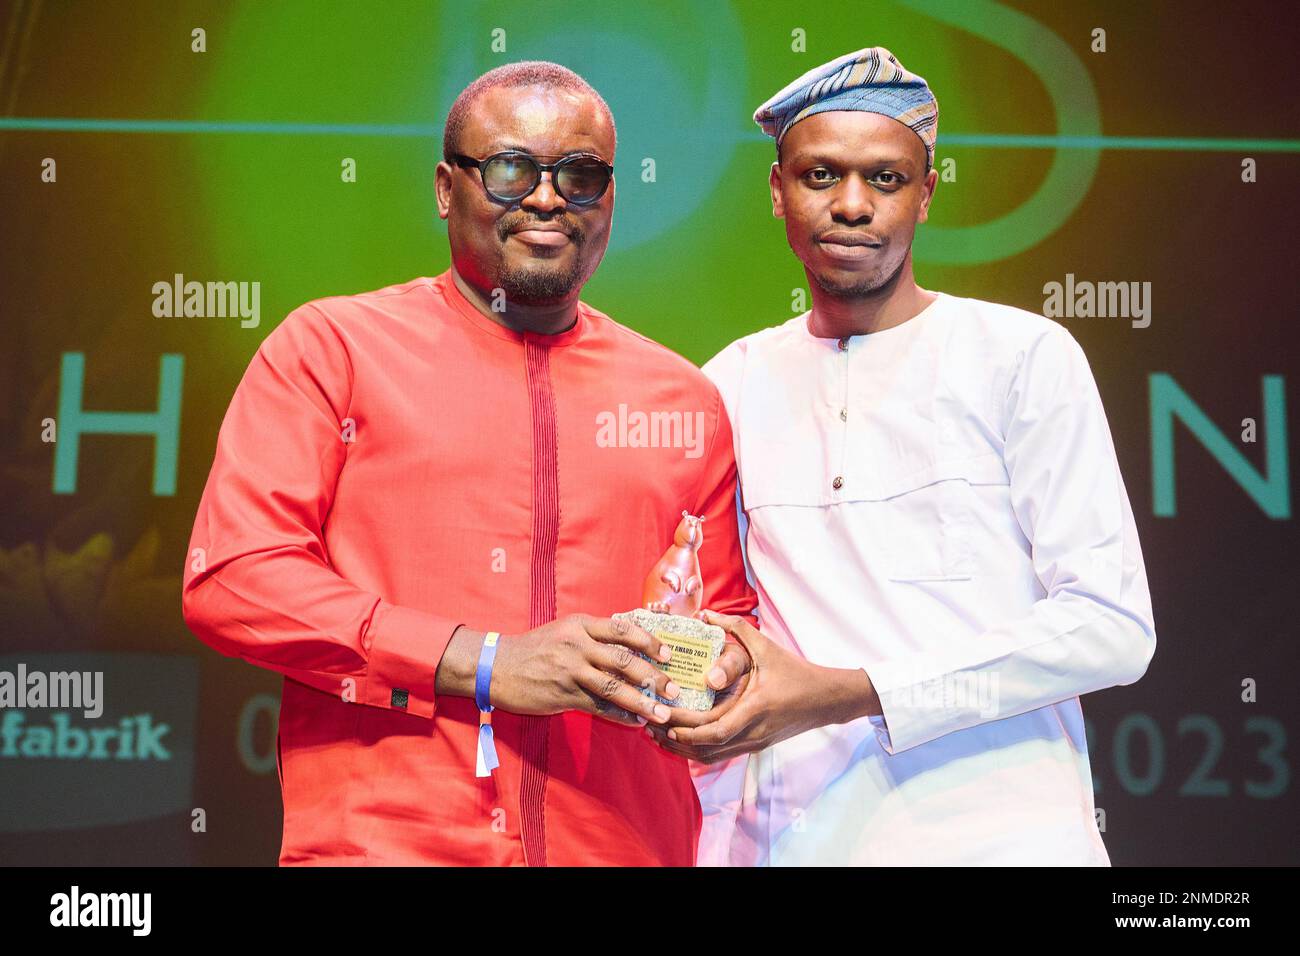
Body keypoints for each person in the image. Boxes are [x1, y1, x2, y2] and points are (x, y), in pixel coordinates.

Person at [182, 60, 755, 866]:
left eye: (581, 176)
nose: (549, 198)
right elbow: (234, 577)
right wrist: (481, 663)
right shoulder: (334, 350)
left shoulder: (681, 399)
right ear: (448, 189)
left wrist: (718, 669)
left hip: (624, 847)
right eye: (514, 169)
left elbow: (726, 623)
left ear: (612, 199)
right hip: (387, 847)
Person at [651, 47, 1157, 865]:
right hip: (796, 839)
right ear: (777, 192)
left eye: (884, 179)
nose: (852, 205)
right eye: (821, 176)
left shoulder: (1020, 354)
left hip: (1004, 837)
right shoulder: (731, 383)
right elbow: (712, 616)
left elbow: (1111, 629)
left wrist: (854, 693)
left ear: (926, 192)